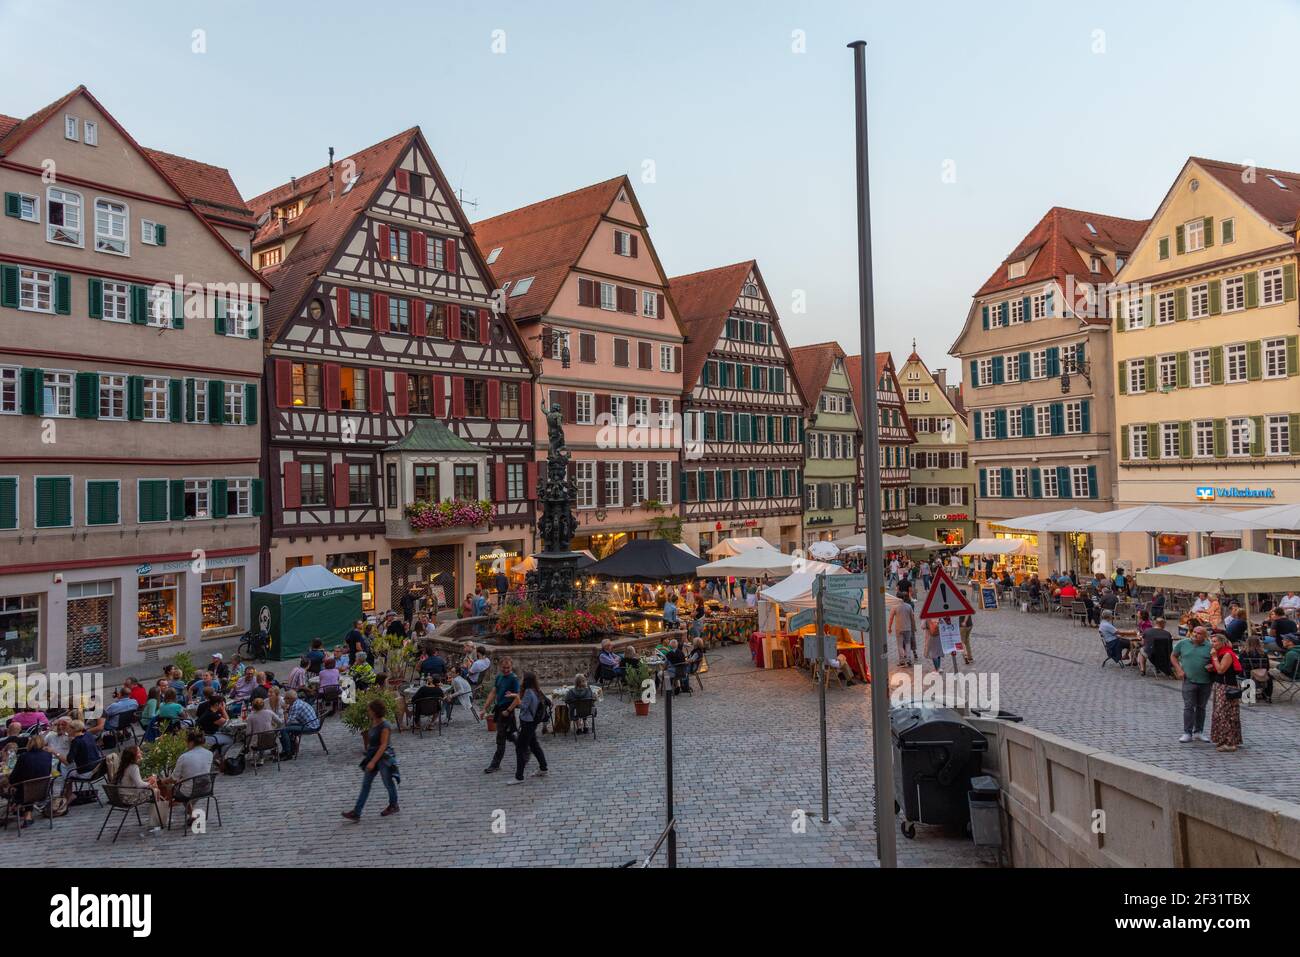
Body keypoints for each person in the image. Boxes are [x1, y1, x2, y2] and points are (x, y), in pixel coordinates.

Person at [342, 698, 399, 820]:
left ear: (375, 711)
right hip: (373, 755)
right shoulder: (373, 722)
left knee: (388, 782)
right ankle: (357, 812)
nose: (368, 712)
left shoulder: (385, 726)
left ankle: (394, 804)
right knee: (366, 784)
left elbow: (383, 745)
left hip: (383, 758)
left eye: (369, 710)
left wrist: (373, 762)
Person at [1172, 626, 1214, 744]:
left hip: (1205, 681)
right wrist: (1179, 669)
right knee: (1189, 706)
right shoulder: (1183, 643)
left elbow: (1215, 660)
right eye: (1194, 632)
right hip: (1189, 680)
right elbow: (1173, 656)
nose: (1196, 634)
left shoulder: (1209, 647)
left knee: (1201, 707)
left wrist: (1212, 666)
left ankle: (1198, 732)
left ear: (1204, 636)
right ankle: (1187, 732)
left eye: (1199, 633)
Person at [110, 745, 163, 829]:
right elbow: (139, 785)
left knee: (153, 789)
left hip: (121, 796)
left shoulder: (125, 766)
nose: (141, 753)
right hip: (129, 798)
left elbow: (134, 782)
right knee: (155, 791)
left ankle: (157, 818)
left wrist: (146, 780)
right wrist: (150, 782)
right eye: (139, 752)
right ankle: (157, 819)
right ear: (134, 756)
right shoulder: (133, 767)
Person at [509, 672, 548, 784]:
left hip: (527, 723)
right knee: (534, 745)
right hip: (532, 722)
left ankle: (519, 777)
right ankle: (543, 768)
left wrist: (516, 698)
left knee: (520, 748)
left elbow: (523, 706)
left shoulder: (528, 692)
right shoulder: (537, 691)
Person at [483, 657, 520, 774]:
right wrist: (485, 708)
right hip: (500, 710)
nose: (506, 670)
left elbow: (518, 698)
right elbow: (493, 692)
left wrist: (508, 710)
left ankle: (495, 764)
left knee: (501, 737)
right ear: (500, 667)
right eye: (504, 667)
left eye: (508, 667)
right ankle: (525, 749)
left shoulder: (514, 679)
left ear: (511, 666)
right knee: (511, 735)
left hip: (507, 711)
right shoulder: (499, 677)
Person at [7, 735, 53, 827]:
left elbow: (13, 778)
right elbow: (48, 771)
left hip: (25, 793)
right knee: (28, 785)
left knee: (9, 787)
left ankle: (19, 809)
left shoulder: (24, 757)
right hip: (43, 791)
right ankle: (26, 814)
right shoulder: (48, 755)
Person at [1207, 633, 1243, 752]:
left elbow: (1221, 670)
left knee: (1224, 714)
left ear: (1222, 642)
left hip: (1226, 686)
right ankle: (1226, 740)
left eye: (1215, 641)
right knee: (1222, 713)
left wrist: (1214, 658)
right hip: (1220, 685)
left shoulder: (1227, 654)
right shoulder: (1221, 653)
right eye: (1212, 641)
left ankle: (1229, 742)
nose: (1213, 643)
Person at [62, 720, 104, 798]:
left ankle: (68, 796)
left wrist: (54, 752)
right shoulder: (88, 734)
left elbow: (69, 760)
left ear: (73, 729)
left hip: (87, 772)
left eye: (68, 729)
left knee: (67, 774)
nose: (67, 731)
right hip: (98, 766)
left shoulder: (76, 741)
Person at [1238, 636, 1273, 703]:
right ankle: (1268, 696)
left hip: (1247, 675)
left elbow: (1240, 666)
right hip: (1261, 675)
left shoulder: (1243, 653)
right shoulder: (1263, 653)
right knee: (1269, 677)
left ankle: (1247, 695)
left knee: (1239, 674)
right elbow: (1267, 667)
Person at [889, 596, 917, 667]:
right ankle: (908, 660)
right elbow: (912, 618)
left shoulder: (894, 606)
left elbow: (891, 618)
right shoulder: (909, 606)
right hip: (908, 628)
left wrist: (889, 627)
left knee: (900, 645)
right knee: (908, 644)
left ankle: (901, 661)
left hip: (899, 629)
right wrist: (914, 627)